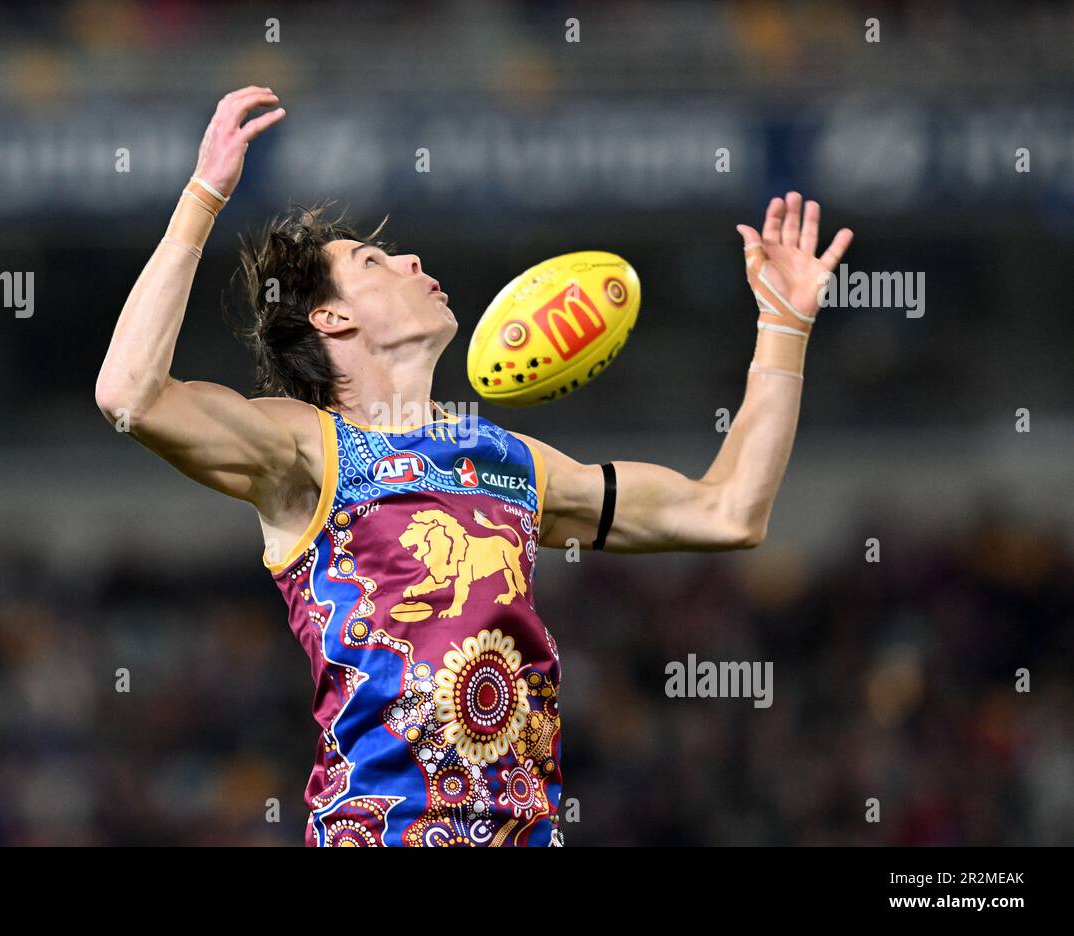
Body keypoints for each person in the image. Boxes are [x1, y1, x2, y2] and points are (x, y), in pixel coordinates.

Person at [94, 86, 854, 846]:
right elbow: (131, 393)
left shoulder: (510, 463)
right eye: (372, 260)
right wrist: (202, 198)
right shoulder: (305, 450)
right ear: (332, 318)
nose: (411, 258)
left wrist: (783, 327)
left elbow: (727, 512)